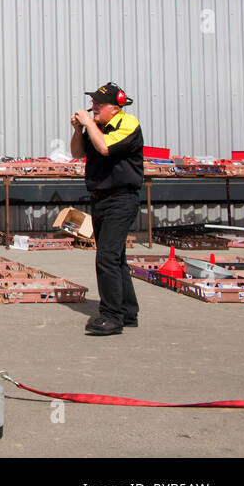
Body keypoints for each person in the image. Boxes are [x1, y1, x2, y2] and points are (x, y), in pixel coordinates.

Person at [70, 82, 143, 336]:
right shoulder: (96, 127)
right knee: (115, 257)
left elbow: (105, 147)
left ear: (115, 107)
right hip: (101, 198)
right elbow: (78, 153)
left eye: (99, 105)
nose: (94, 108)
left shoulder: (128, 124)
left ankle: (111, 316)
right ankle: (127, 311)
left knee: (107, 258)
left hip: (121, 198)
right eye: (93, 104)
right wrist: (79, 129)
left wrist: (89, 124)